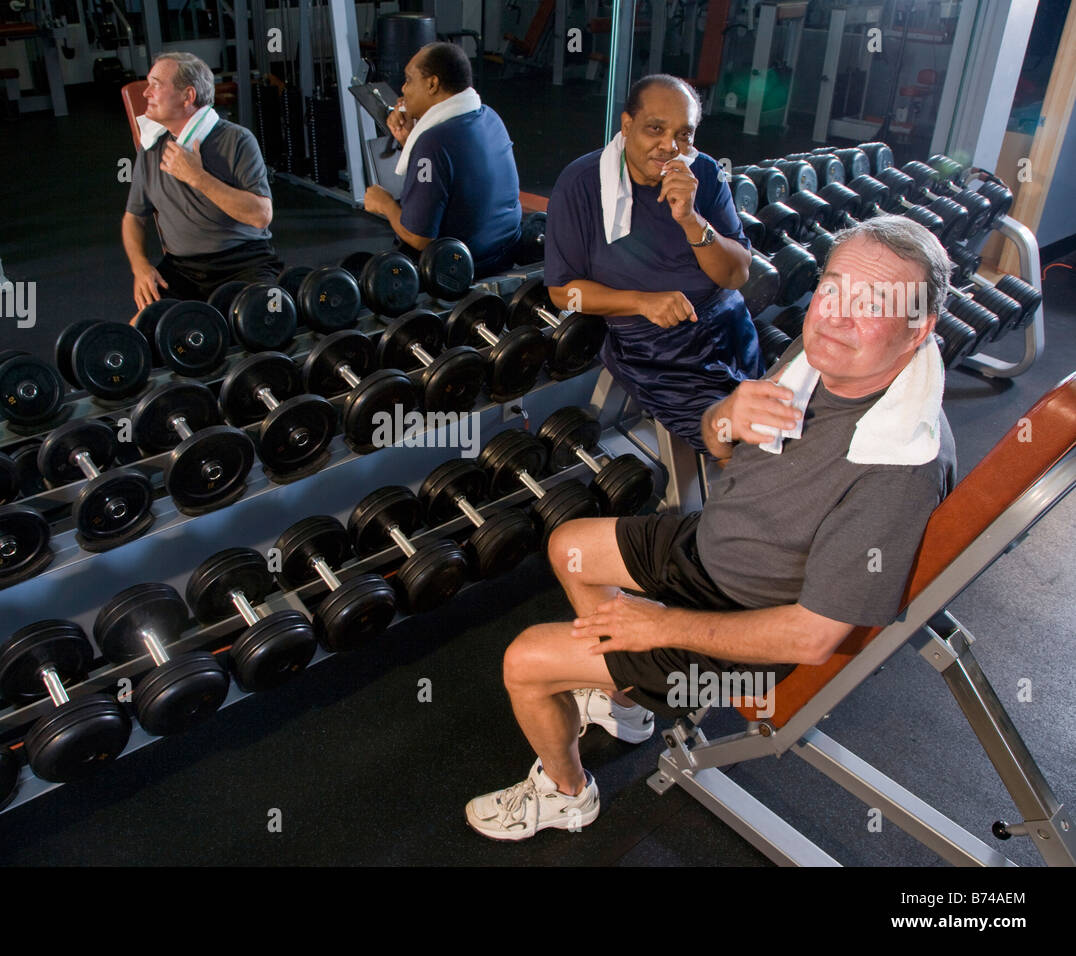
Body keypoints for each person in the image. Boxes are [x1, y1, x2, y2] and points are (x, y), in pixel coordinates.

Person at [465, 215, 957, 841]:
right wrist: (725, 416)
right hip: (715, 548)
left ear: (921, 331)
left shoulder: (899, 466)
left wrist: (660, 625)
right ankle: (628, 704)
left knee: (525, 660)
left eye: (873, 304)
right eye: (833, 288)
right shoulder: (817, 359)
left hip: (753, 633)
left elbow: (810, 639)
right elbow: (722, 447)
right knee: (570, 547)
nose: (836, 315)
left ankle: (566, 794)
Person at [543, 74, 762, 455]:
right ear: (626, 126)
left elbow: (736, 275)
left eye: (684, 135)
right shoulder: (579, 184)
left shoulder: (704, 173)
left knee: (773, 430)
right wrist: (642, 301)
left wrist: (692, 220)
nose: (669, 147)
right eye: (655, 129)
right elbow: (564, 295)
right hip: (656, 351)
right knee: (738, 444)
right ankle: (743, 509)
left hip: (728, 327)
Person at [122, 52, 284, 308]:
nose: (146, 93)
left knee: (262, 321)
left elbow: (260, 216)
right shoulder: (151, 148)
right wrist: (140, 267)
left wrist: (198, 177)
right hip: (183, 269)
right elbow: (134, 217)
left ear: (188, 96)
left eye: (156, 85)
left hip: (244, 262)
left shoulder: (238, 140)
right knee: (145, 331)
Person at [362, 42, 523, 276]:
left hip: (461, 269)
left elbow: (419, 238)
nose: (403, 90)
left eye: (408, 80)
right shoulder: (489, 117)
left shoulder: (433, 143)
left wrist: (384, 204)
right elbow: (452, 169)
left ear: (432, 84)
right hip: (505, 254)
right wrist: (410, 142)